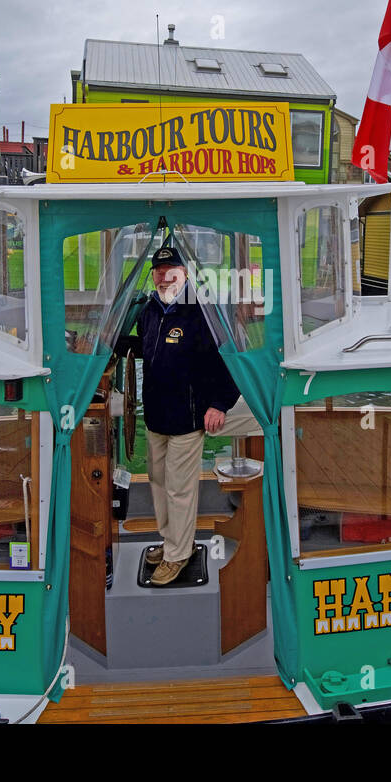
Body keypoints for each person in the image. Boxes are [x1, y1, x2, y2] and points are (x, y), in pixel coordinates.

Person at [120, 242, 241, 585]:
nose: (163, 276)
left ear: (184, 274)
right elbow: (146, 348)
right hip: (156, 415)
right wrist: (107, 346)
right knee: (159, 483)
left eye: (170, 270)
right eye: (158, 271)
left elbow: (226, 358)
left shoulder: (201, 311)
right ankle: (170, 541)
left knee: (178, 489)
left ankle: (178, 554)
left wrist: (220, 403)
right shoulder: (150, 310)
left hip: (188, 418)